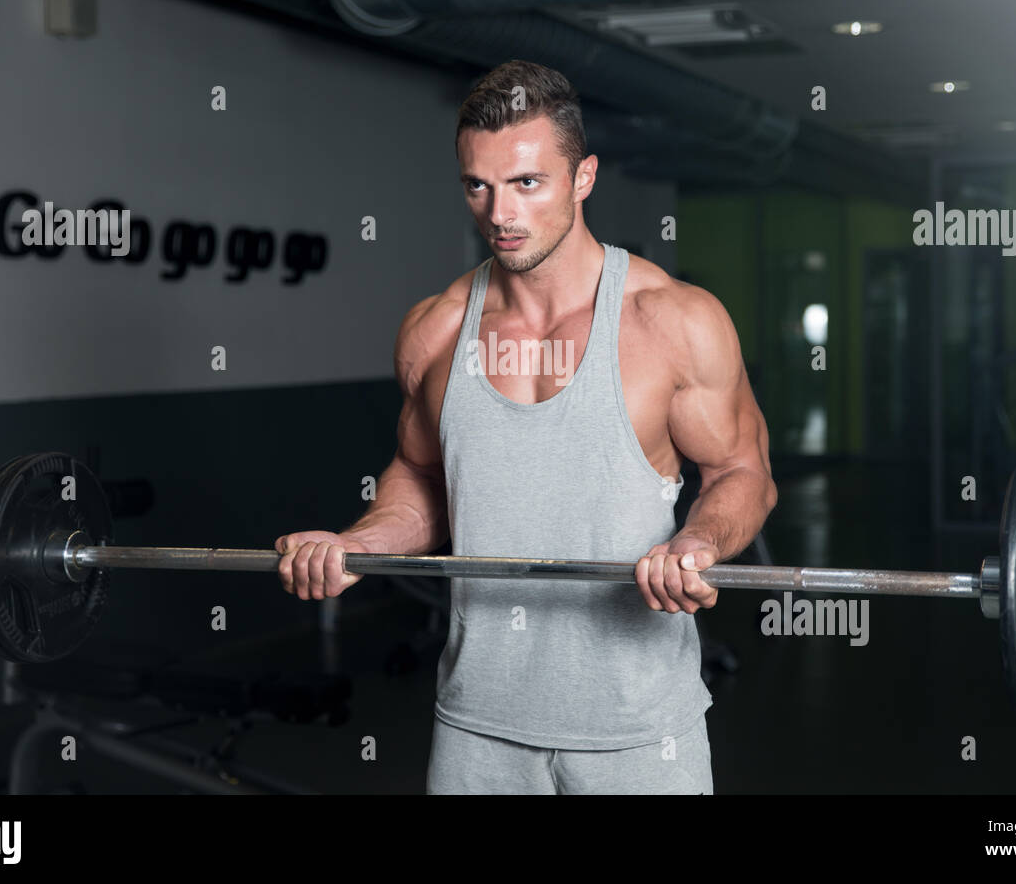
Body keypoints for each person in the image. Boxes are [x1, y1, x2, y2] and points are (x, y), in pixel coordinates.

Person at [277, 59, 776, 794]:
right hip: (477, 728)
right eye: (477, 184)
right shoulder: (436, 331)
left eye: (526, 183)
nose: (499, 214)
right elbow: (420, 479)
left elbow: (744, 472)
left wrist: (697, 542)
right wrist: (357, 544)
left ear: (584, 178)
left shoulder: (672, 321)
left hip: (637, 732)